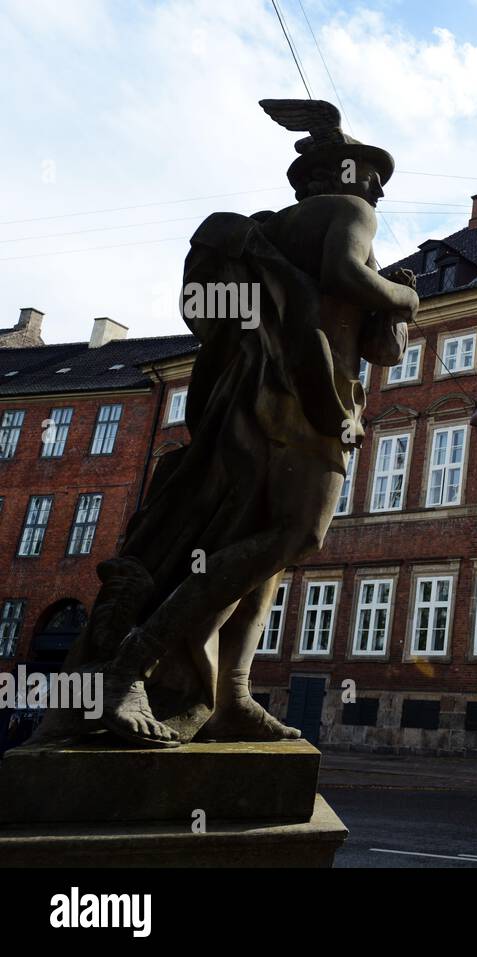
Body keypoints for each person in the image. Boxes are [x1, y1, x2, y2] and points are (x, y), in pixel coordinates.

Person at [41, 100, 417, 748]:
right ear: (344, 173)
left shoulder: (271, 229)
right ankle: (135, 661)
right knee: (298, 534)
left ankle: (229, 695)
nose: (379, 187)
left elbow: (365, 333)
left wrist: (383, 311)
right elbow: (341, 275)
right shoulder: (352, 215)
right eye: (372, 173)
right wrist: (405, 295)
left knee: (264, 549)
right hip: (311, 401)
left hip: (256, 406)